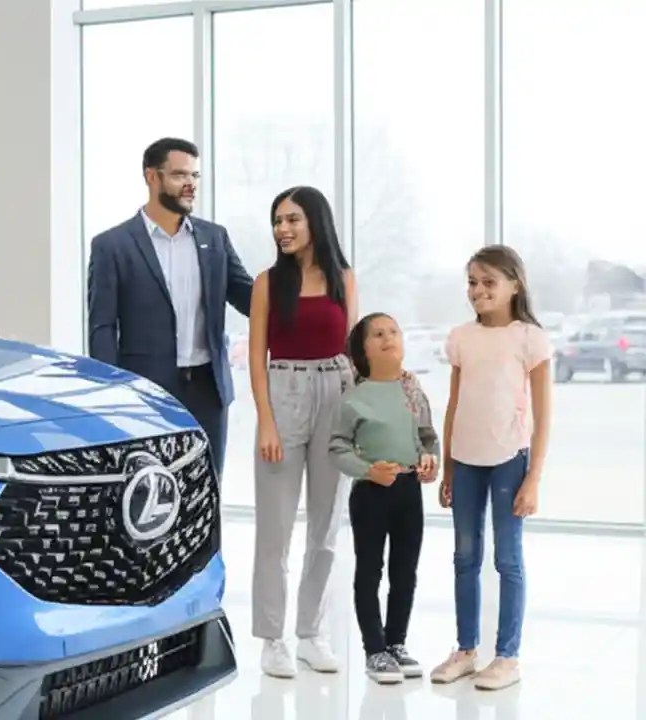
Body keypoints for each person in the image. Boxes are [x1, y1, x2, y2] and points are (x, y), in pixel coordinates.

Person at [86, 137, 254, 489]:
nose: (190, 183)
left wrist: (298, 288)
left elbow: (249, 298)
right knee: (148, 491)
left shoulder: (215, 238)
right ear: (152, 177)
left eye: (194, 175)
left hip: (209, 390)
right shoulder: (112, 246)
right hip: (145, 391)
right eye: (179, 174)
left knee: (206, 488)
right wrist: (112, 393)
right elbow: (102, 327)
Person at [430, 246, 552, 691]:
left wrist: (533, 478)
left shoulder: (529, 339)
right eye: (472, 283)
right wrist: (447, 468)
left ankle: (507, 656)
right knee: (465, 557)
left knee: (507, 559)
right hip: (465, 461)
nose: (478, 291)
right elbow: (454, 405)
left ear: (514, 285)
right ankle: (466, 650)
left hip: (509, 462)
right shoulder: (462, 337)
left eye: (488, 282)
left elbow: (543, 415)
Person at [248, 185, 357, 678]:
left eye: (292, 219)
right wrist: (266, 420)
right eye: (277, 221)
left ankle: (311, 633)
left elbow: (353, 349)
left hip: (337, 392)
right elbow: (256, 356)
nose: (283, 229)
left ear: (316, 222)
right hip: (284, 393)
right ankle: (273, 639)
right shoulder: (268, 282)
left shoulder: (343, 278)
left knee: (327, 527)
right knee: (275, 529)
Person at [330, 312, 440, 685]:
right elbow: (338, 448)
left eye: (393, 331)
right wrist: (368, 470)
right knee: (369, 571)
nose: (388, 338)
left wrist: (430, 460)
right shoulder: (353, 399)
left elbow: (428, 438)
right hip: (371, 495)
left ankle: (396, 643)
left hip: (409, 493)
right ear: (363, 350)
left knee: (405, 572)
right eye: (378, 334)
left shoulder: (413, 392)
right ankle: (374, 649)